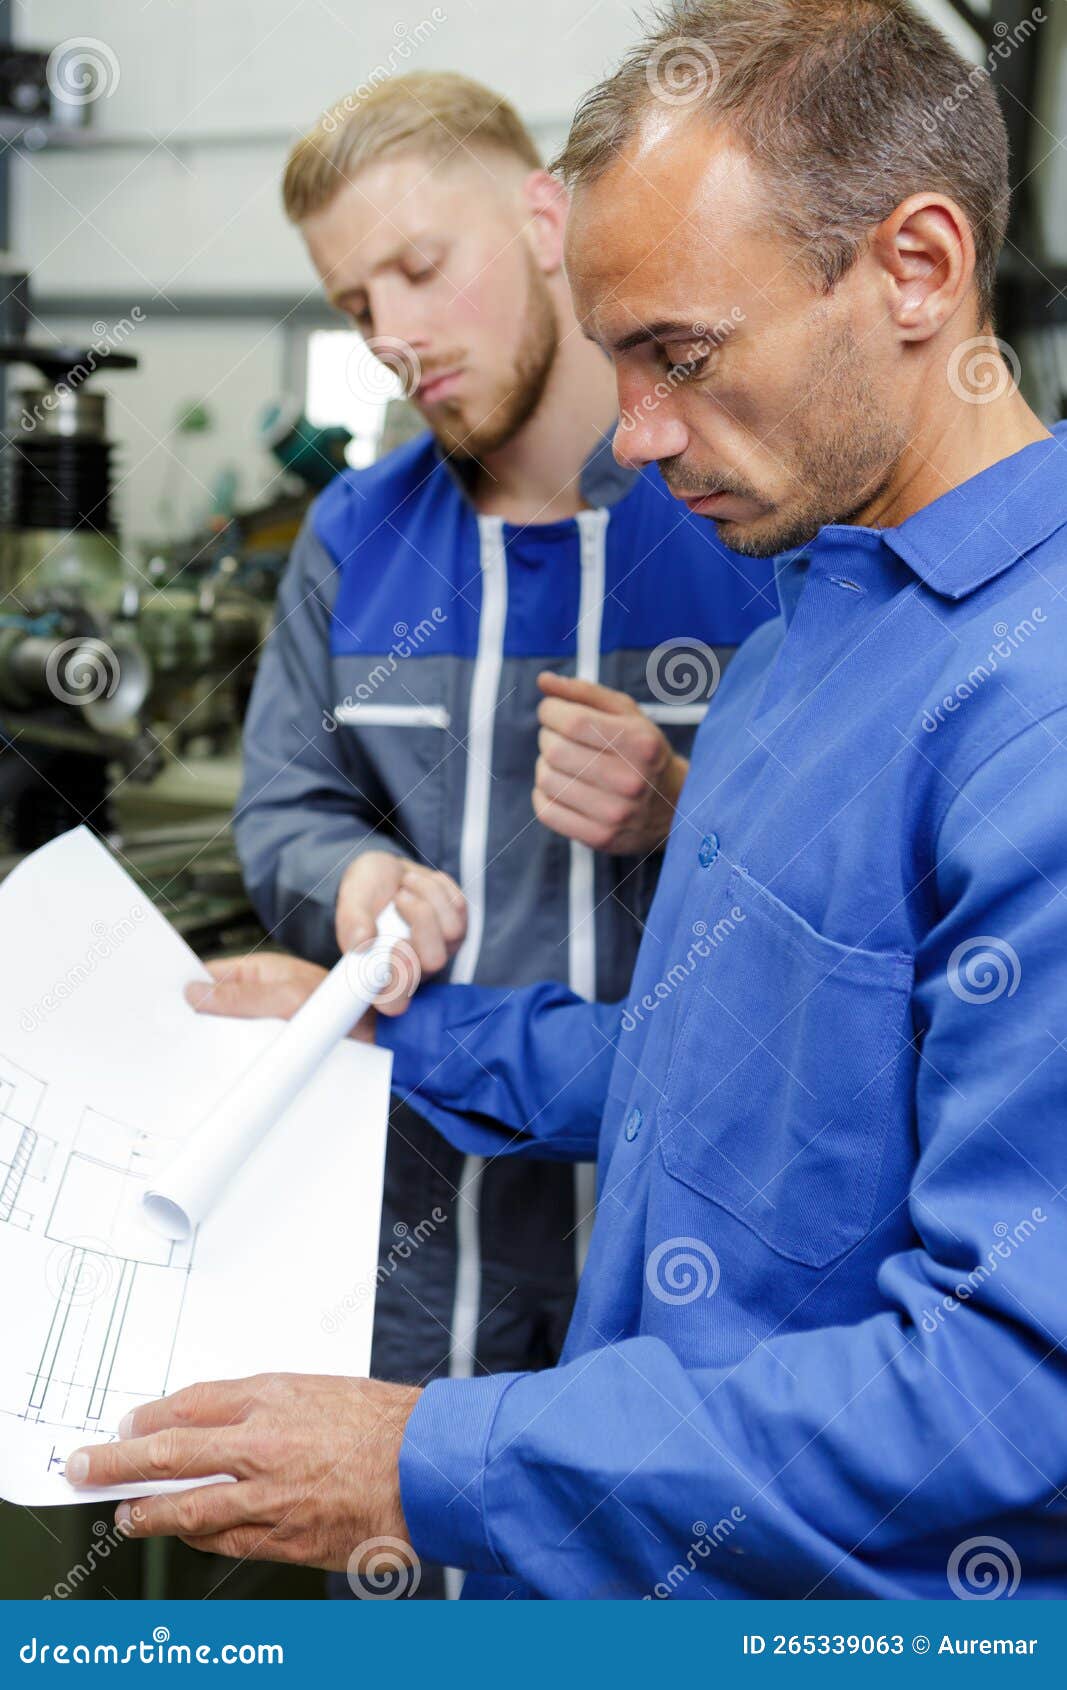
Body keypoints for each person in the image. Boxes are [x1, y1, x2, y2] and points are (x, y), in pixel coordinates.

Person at [69, 0, 1067, 1599]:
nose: (643, 434)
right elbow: (704, 1074)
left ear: (919, 269)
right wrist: (381, 1031)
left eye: (680, 353)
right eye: (618, 361)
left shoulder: (1033, 707)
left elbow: (1014, 1395)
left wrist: (430, 1460)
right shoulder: (816, 616)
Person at [232, 73, 776, 1570]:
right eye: (354, 302)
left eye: (420, 266)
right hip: (419, 1233)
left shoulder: (745, 521)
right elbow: (285, 798)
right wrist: (346, 877)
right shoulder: (357, 537)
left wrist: (678, 804)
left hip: (684, 1237)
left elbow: (840, 869)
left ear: (547, 218)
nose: (394, 330)